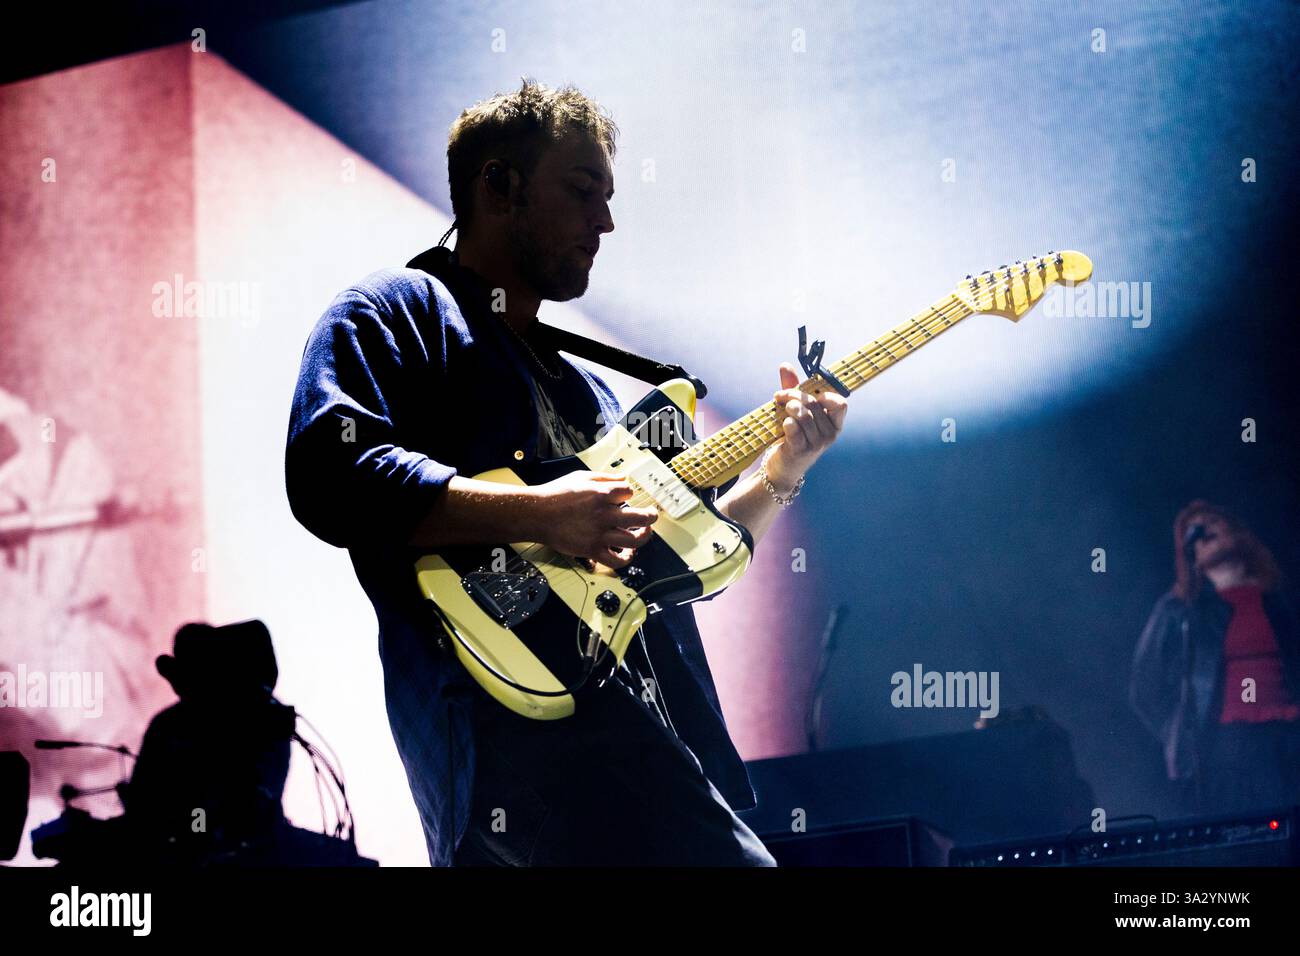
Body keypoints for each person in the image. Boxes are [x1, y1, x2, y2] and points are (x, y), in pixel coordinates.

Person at [285, 80, 848, 865]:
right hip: (514, 735)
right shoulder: (393, 312)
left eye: (608, 197)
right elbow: (328, 470)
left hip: (644, 737)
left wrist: (789, 465)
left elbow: (678, 562)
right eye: (583, 190)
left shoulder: (588, 392)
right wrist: (539, 512)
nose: (606, 221)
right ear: (499, 185)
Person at [1130, 499, 1300, 816]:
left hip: (1289, 735)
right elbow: (1145, 686)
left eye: (1212, 521)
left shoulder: (1279, 599)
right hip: (1230, 745)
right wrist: (1182, 734)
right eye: (1195, 530)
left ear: (1237, 533)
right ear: (1191, 555)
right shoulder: (1179, 610)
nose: (1204, 529)